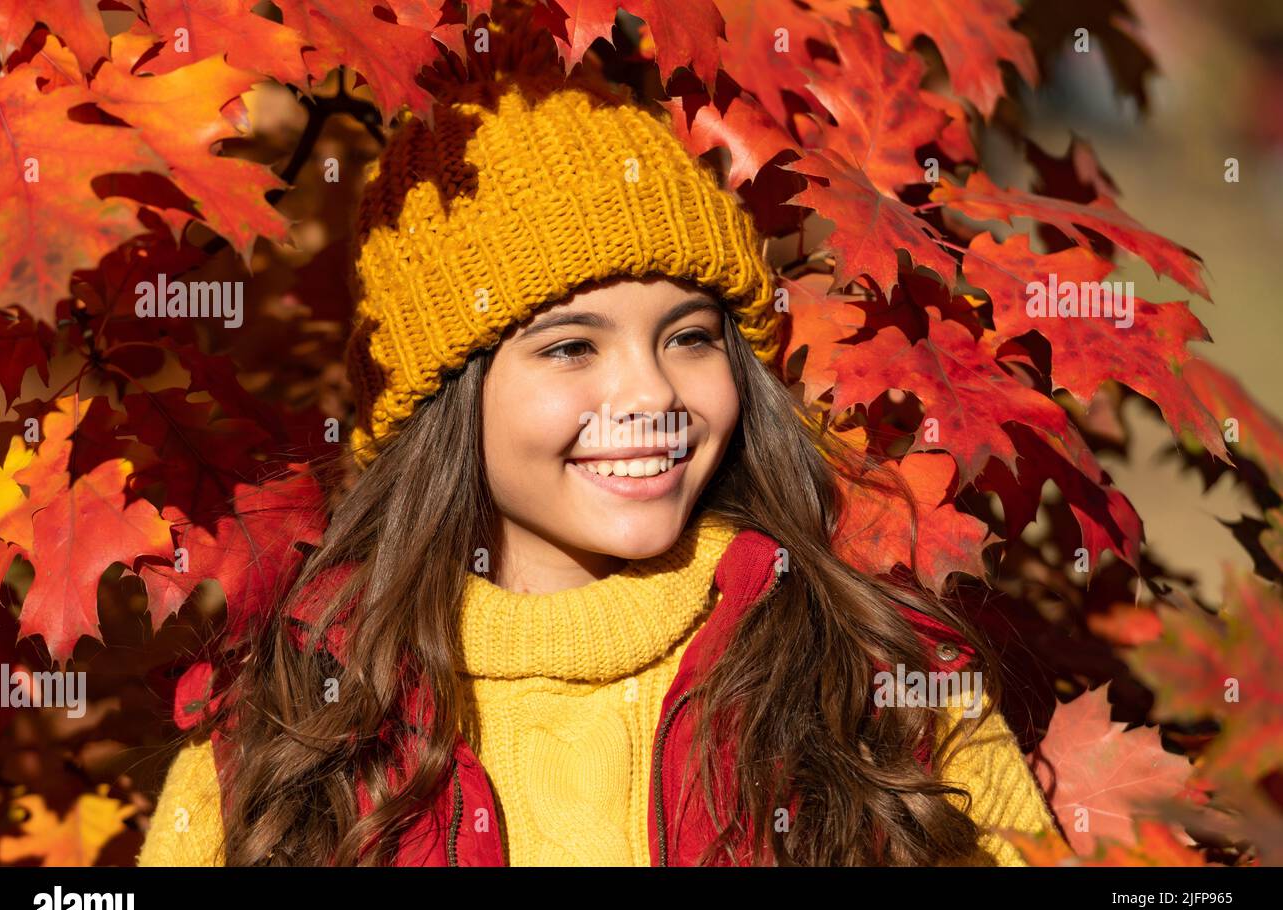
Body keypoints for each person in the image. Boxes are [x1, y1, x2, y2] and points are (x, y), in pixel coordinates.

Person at [136, 29, 1058, 867]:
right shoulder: (283, 733)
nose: (653, 393)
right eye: (573, 346)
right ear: (445, 400)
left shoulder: (874, 677)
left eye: (691, 337)